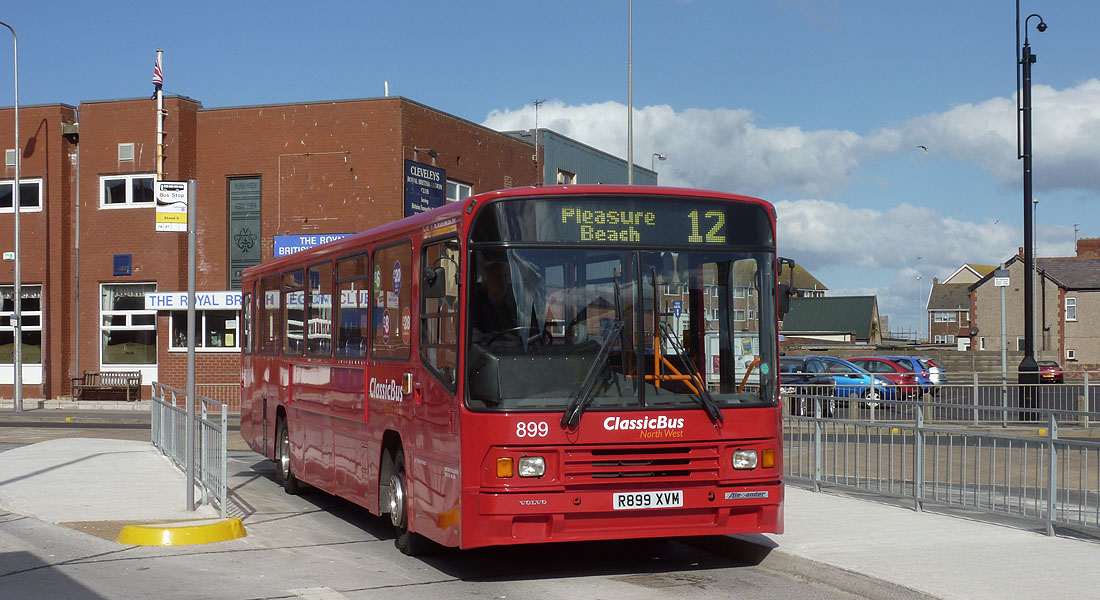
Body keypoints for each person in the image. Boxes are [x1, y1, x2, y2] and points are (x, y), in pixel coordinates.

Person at [471, 259, 520, 344]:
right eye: (497, 277)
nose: (503, 281)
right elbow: (475, 338)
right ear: (486, 283)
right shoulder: (475, 306)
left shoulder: (517, 303)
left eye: (505, 276)